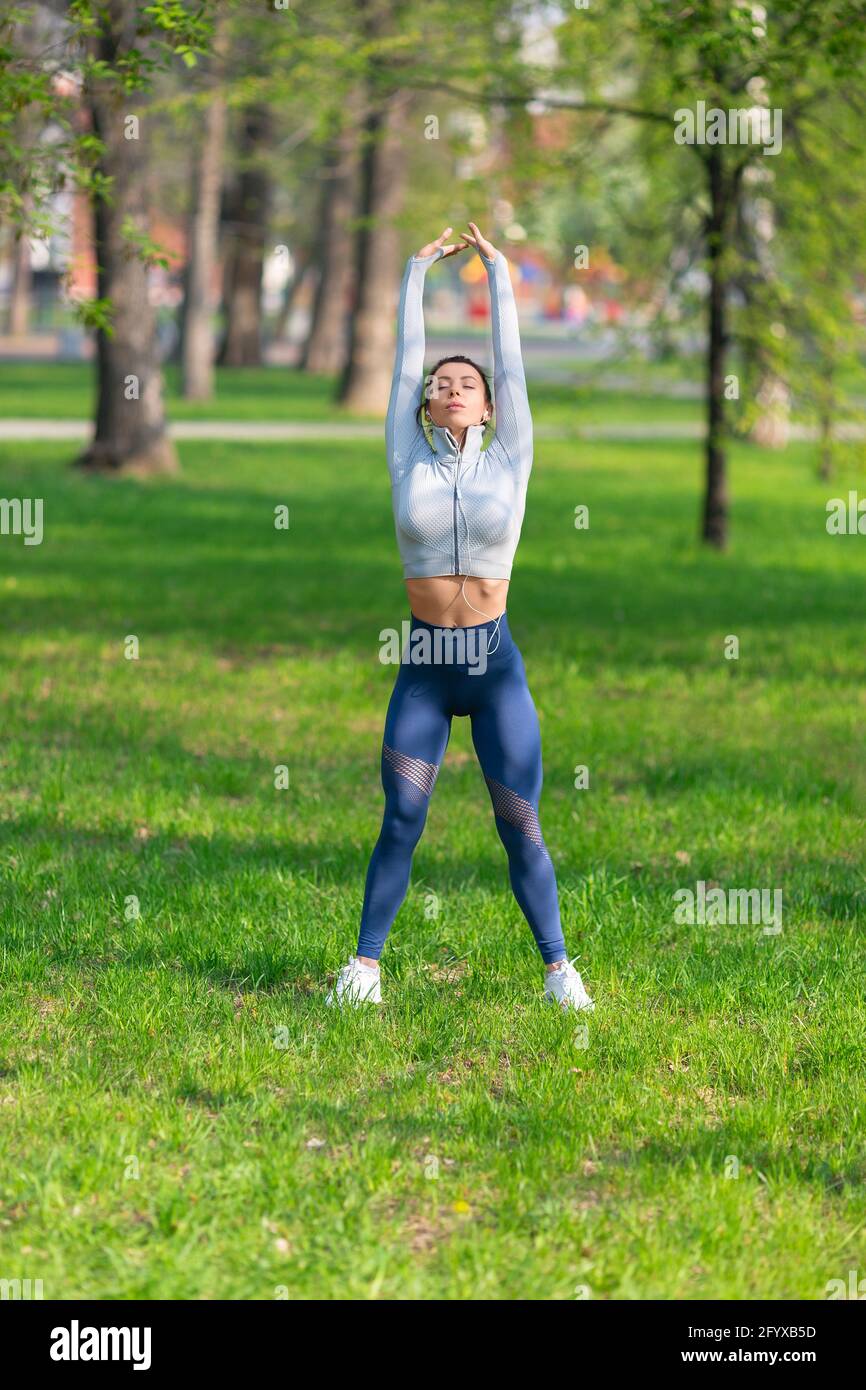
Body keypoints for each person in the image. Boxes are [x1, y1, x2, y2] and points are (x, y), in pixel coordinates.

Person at [327, 224, 593, 1013]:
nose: (449, 387)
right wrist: (414, 273)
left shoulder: (511, 457)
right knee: (402, 815)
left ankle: (558, 971)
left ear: (486, 409)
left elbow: (509, 364)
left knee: (521, 826)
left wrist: (500, 274)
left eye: (464, 385)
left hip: (495, 668)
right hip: (425, 669)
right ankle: (365, 970)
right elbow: (406, 361)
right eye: (440, 382)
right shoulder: (405, 456)